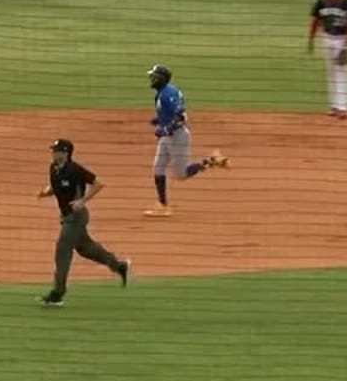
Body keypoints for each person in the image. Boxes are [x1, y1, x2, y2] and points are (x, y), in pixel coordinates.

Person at [36, 139, 129, 307]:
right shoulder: (54, 168)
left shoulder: (74, 170)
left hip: (76, 217)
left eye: (56, 150)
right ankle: (118, 266)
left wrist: (83, 201)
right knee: (86, 248)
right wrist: (46, 193)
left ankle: (58, 294)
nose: (53, 153)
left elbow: (98, 184)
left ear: (65, 152)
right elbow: (55, 187)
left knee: (62, 251)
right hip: (67, 217)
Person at [144, 64, 229, 218]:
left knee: (181, 175)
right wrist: (160, 121)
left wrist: (166, 129)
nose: (151, 78)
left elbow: (180, 117)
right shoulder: (163, 92)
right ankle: (162, 205)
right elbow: (171, 114)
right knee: (158, 168)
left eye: (154, 76)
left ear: (160, 79)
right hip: (169, 137)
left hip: (178, 137)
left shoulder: (167, 95)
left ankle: (211, 160)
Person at [307, 0, 347, 119]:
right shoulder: (321, 1)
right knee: (330, 73)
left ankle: (343, 108)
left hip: (341, 39)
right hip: (327, 38)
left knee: (341, 72)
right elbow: (315, 21)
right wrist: (311, 39)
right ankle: (334, 106)